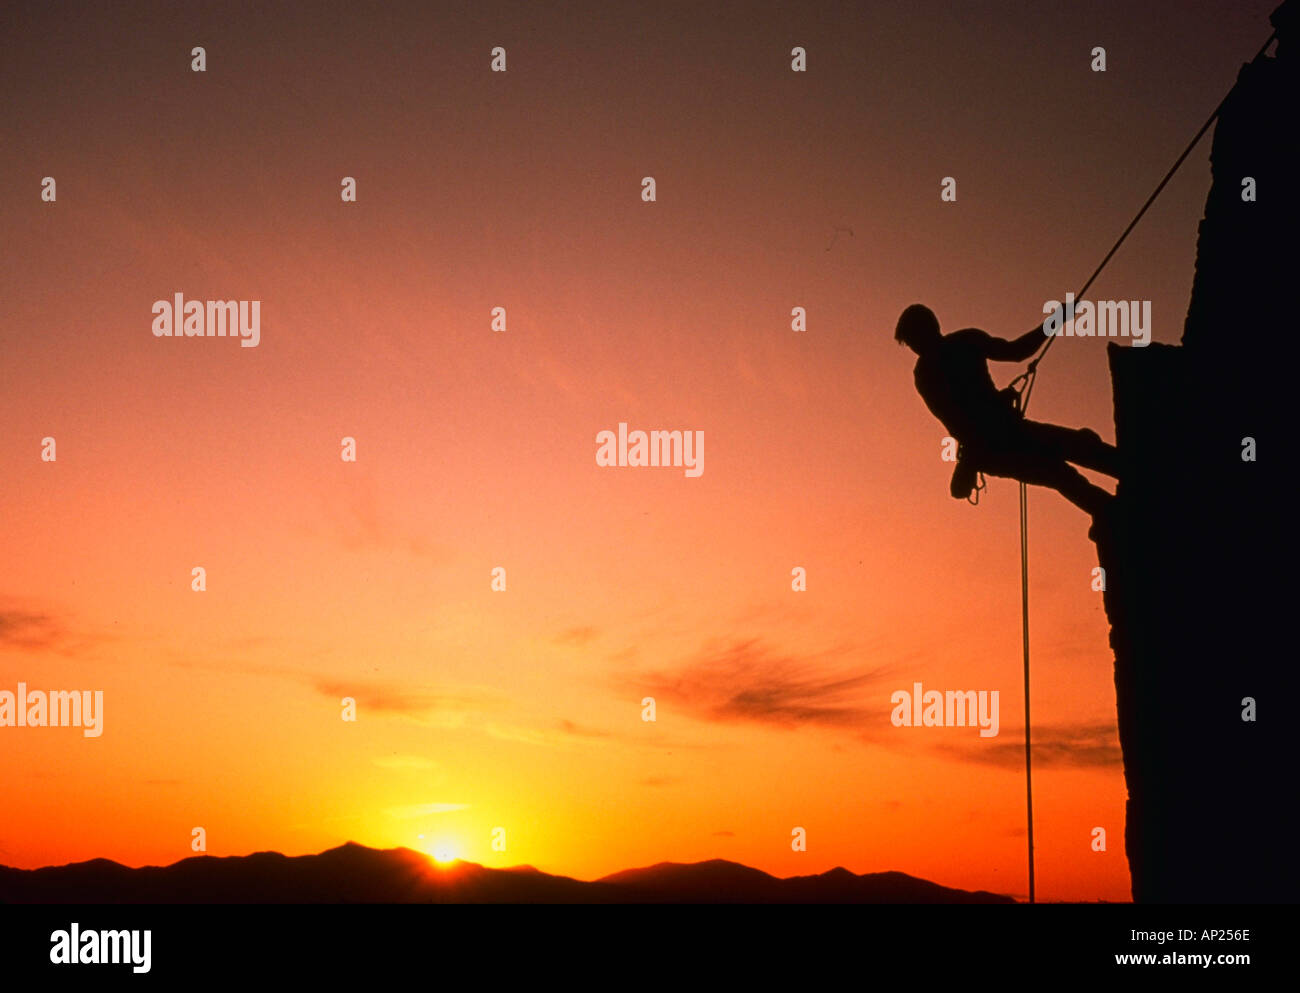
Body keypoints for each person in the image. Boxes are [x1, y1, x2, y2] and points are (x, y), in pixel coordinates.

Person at [895, 303, 1117, 516]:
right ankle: (1121, 500)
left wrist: (1056, 320)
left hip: (993, 446)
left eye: (913, 340)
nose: (915, 347)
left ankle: (1114, 510)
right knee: (1068, 459)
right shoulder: (964, 344)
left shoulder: (926, 372)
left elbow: (959, 419)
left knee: (1065, 466)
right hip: (999, 439)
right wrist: (1055, 321)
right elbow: (1017, 352)